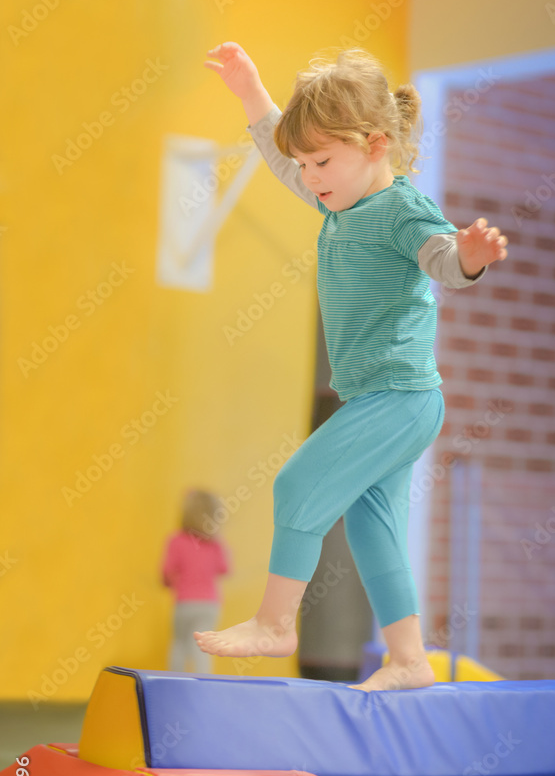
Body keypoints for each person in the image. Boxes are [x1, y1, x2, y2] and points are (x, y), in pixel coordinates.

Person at [194, 42, 507, 691]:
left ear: (373, 145)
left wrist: (469, 258)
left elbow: (441, 259)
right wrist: (251, 88)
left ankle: (276, 623)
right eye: (306, 163)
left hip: (397, 397)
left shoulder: (399, 210)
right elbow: (281, 157)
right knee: (374, 526)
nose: (308, 176)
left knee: (296, 485)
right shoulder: (338, 204)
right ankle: (410, 660)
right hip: (384, 399)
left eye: (322, 161)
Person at [162, 489, 231, 674]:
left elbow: (167, 573)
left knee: (180, 644)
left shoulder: (176, 541)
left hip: (185, 604)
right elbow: (225, 569)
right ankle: (203, 684)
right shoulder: (215, 544)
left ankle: (174, 682)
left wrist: (167, 582)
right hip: (210, 605)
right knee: (203, 648)